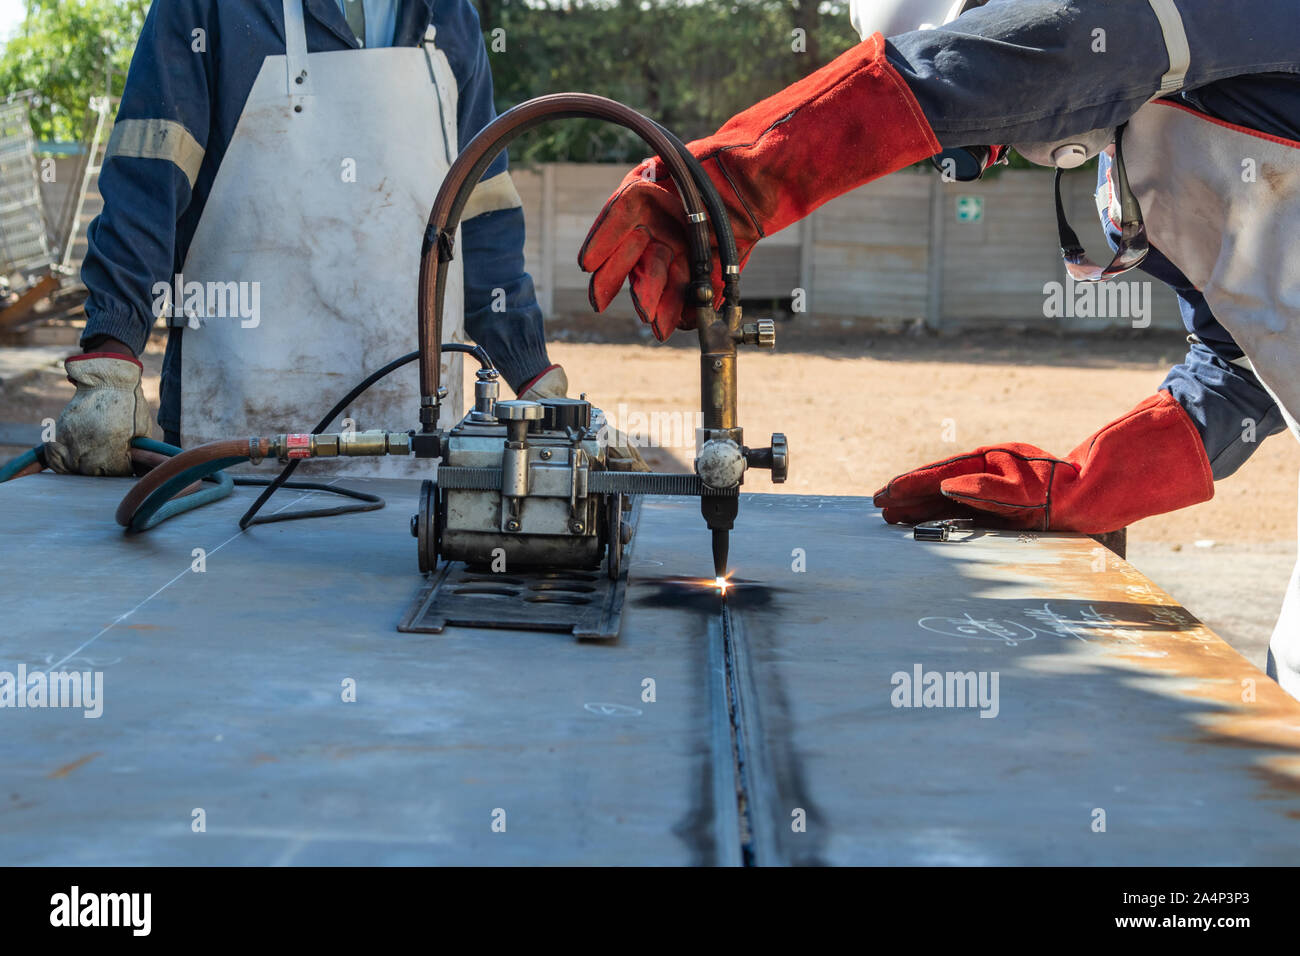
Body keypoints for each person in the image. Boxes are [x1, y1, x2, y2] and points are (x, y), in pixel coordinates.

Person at [577, 0, 1300, 695]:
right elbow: (1238, 368)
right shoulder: (1149, 144)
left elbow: (1063, 40)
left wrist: (752, 170)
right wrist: (1091, 484)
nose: (989, 154)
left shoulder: (1178, 24)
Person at [46, 0, 642, 480]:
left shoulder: (449, 18)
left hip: (413, 449)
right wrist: (113, 355)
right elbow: (147, 182)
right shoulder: (205, 10)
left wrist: (537, 383)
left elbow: (482, 218)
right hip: (225, 446)